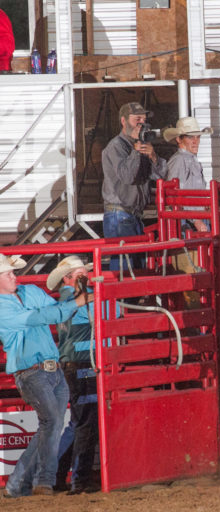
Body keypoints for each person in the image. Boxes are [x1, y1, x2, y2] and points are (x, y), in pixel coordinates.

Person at [0, 254, 91, 498]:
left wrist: (71, 301)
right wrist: (76, 302)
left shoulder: (28, 291)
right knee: (51, 422)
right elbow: (43, 316)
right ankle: (44, 481)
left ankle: (17, 484)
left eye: (12, 272)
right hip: (30, 372)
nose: (14, 276)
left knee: (49, 426)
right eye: (8, 274)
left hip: (52, 369)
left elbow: (54, 311)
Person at [47, 256, 114, 495]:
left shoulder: (65, 300)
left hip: (74, 365)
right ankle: (80, 480)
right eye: (81, 275)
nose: (86, 278)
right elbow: (111, 312)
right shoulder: (82, 301)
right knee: (86, 421)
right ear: (68, 278)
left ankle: (54, 476)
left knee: (78, 421)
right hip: (84, 365)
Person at [101, 102, 168, 270]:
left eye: (144, 120)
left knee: (137, 268)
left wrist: (153, 156)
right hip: (119, 215)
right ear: (123, 121)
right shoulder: (116, 146)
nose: (141, 124)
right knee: (125, 268)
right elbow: (128, 176)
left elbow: (161, 175)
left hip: (133, 215)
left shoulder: (139, 145)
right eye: (137, 120)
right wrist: (136, 152)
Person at [163, 116, 213, 233]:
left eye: (198, 137)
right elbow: (176, 194)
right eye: (190, 137)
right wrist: (195, 220)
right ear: (179, 139)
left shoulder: (190, 159)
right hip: (188, 222)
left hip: (196, 218)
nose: (196, 141)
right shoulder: (179, 160)